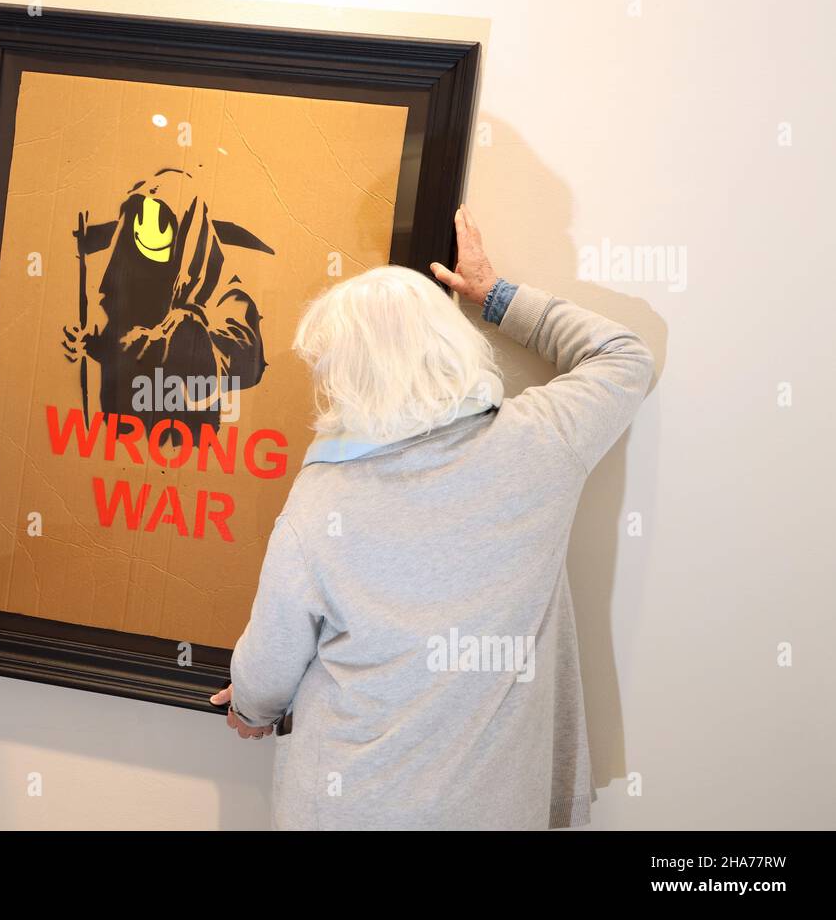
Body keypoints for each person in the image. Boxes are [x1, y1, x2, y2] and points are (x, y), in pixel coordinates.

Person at [211, 205, 655, 829]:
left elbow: (267, 667)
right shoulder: (541, 444)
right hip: (495, 807)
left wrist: (253, 711)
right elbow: (624, 356)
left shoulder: (322, 501)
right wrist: (495, 295)